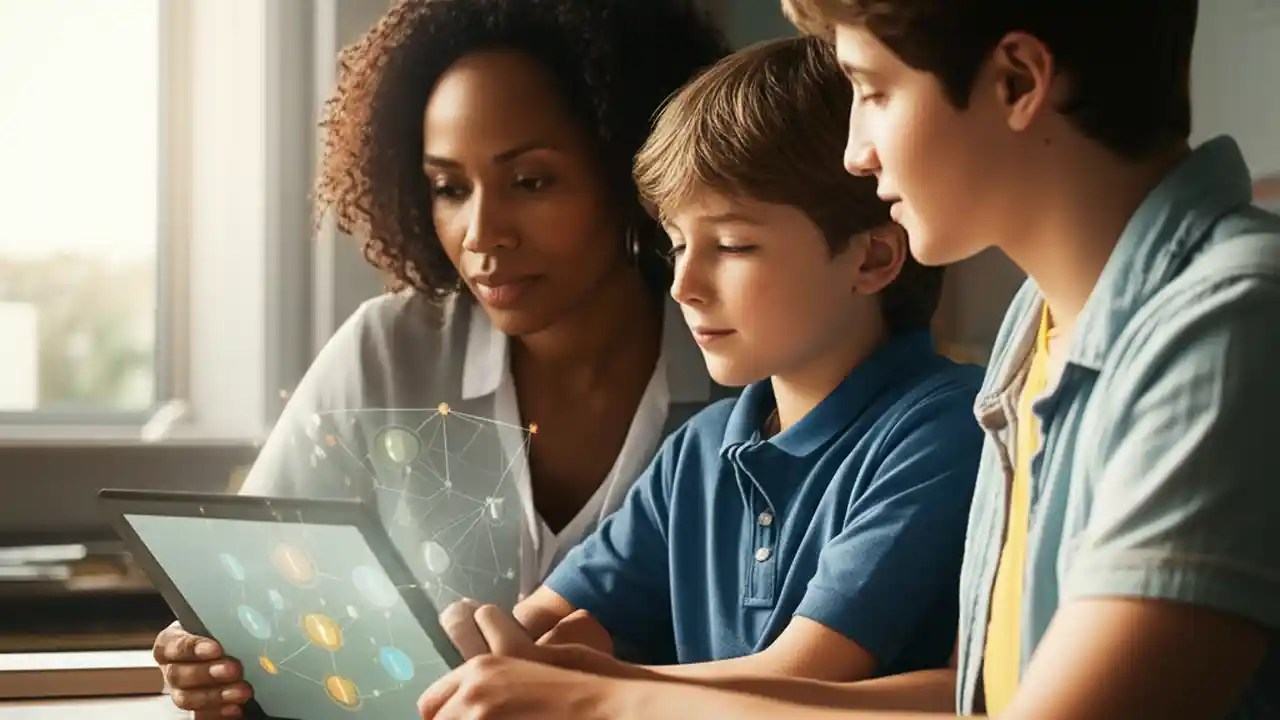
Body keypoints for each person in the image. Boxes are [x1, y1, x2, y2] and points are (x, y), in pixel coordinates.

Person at [415, 1, 1280, 718]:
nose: (857, 152)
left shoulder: (1231, 324)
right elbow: (977, 702)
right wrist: (582, 682)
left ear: (1017, 82)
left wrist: (598, 704)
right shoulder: (1041, 331)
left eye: (871, 90)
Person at [150, 1, 728, 717]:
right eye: (449, 188)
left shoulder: (746, 367)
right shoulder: (387, 351)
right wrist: (211, 653)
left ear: (632, 174)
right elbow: (249, 593)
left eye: (532, 182)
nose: (482, 233)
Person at [425, 33, 982, 702]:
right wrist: (471, 658)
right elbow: (541, 625)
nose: (684, 284)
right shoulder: (698, 451)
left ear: (872, 260)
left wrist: (589, 691)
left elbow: (804, 673)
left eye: (734, 246)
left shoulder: (945, 428)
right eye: (678, 244)